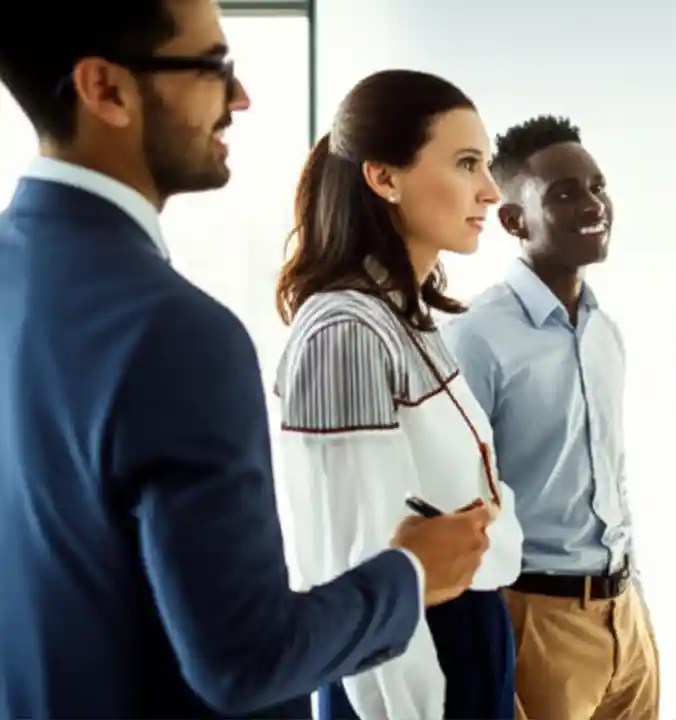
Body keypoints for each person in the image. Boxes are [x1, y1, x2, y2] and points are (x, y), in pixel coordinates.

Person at [0, 2, 495, 718]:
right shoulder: (177, 334)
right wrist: (413, 570)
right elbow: (246, 659)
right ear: (104, 89)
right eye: (212, 69)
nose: (240, 98)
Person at [272, 69, 524, 720]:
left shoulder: (403, 317)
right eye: (467, 163)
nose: (491, 190)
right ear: (384, 177)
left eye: (487, 164)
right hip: (411, 663)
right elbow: (354, 567)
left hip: (464, 638)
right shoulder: (347, 333)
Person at [442, 115, 660, 719]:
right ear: (514, 220)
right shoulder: (476, 338)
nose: (594, 203)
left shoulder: (604, 331)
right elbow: (456, 502)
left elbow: (610, 477)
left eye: (597, 186)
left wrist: (631, 598)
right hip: (534, 619)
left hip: (623, 618)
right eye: (565, 192)